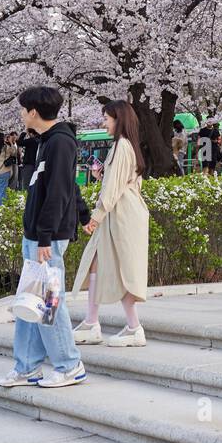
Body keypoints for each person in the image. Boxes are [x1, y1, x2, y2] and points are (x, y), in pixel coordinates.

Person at [0, 86, 85, 389]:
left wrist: (45, 237)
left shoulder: (60, 142)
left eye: (22, 110)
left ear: (33, 112)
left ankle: (69, 365)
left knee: (49, 304)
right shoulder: (47, 142)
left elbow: (60, 191)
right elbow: (68, 187)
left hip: (47, 238)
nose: (21, 115)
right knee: (32, 303)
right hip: (37, 236)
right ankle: (27, 366)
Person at [72, 100, 150, 347]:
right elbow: (120, 181)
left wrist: (95, 217)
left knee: (122, 268)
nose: (104, 122)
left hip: (121, 215)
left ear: (119, 120)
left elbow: (112, 188)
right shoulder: (127, 146)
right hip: (123, 212)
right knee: (97, 263)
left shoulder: (120, 146)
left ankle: (133, 328)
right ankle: (92, 322)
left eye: (107, 118)